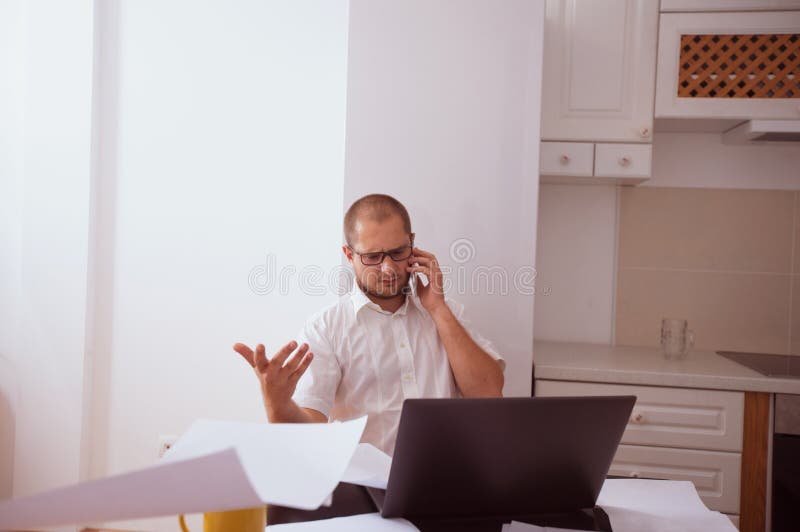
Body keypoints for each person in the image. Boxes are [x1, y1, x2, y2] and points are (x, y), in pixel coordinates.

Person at [233, 194, 504, 454]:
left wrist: (437, 308)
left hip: (444, 482)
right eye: (372, 257)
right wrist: (277, 403)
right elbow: (310, 434)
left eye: (398, 252)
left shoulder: (447, 313)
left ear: (413, 244)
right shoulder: (326, 328)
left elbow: (489, 393)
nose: (388, 268)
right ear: (349, 255)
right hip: (365, 492)